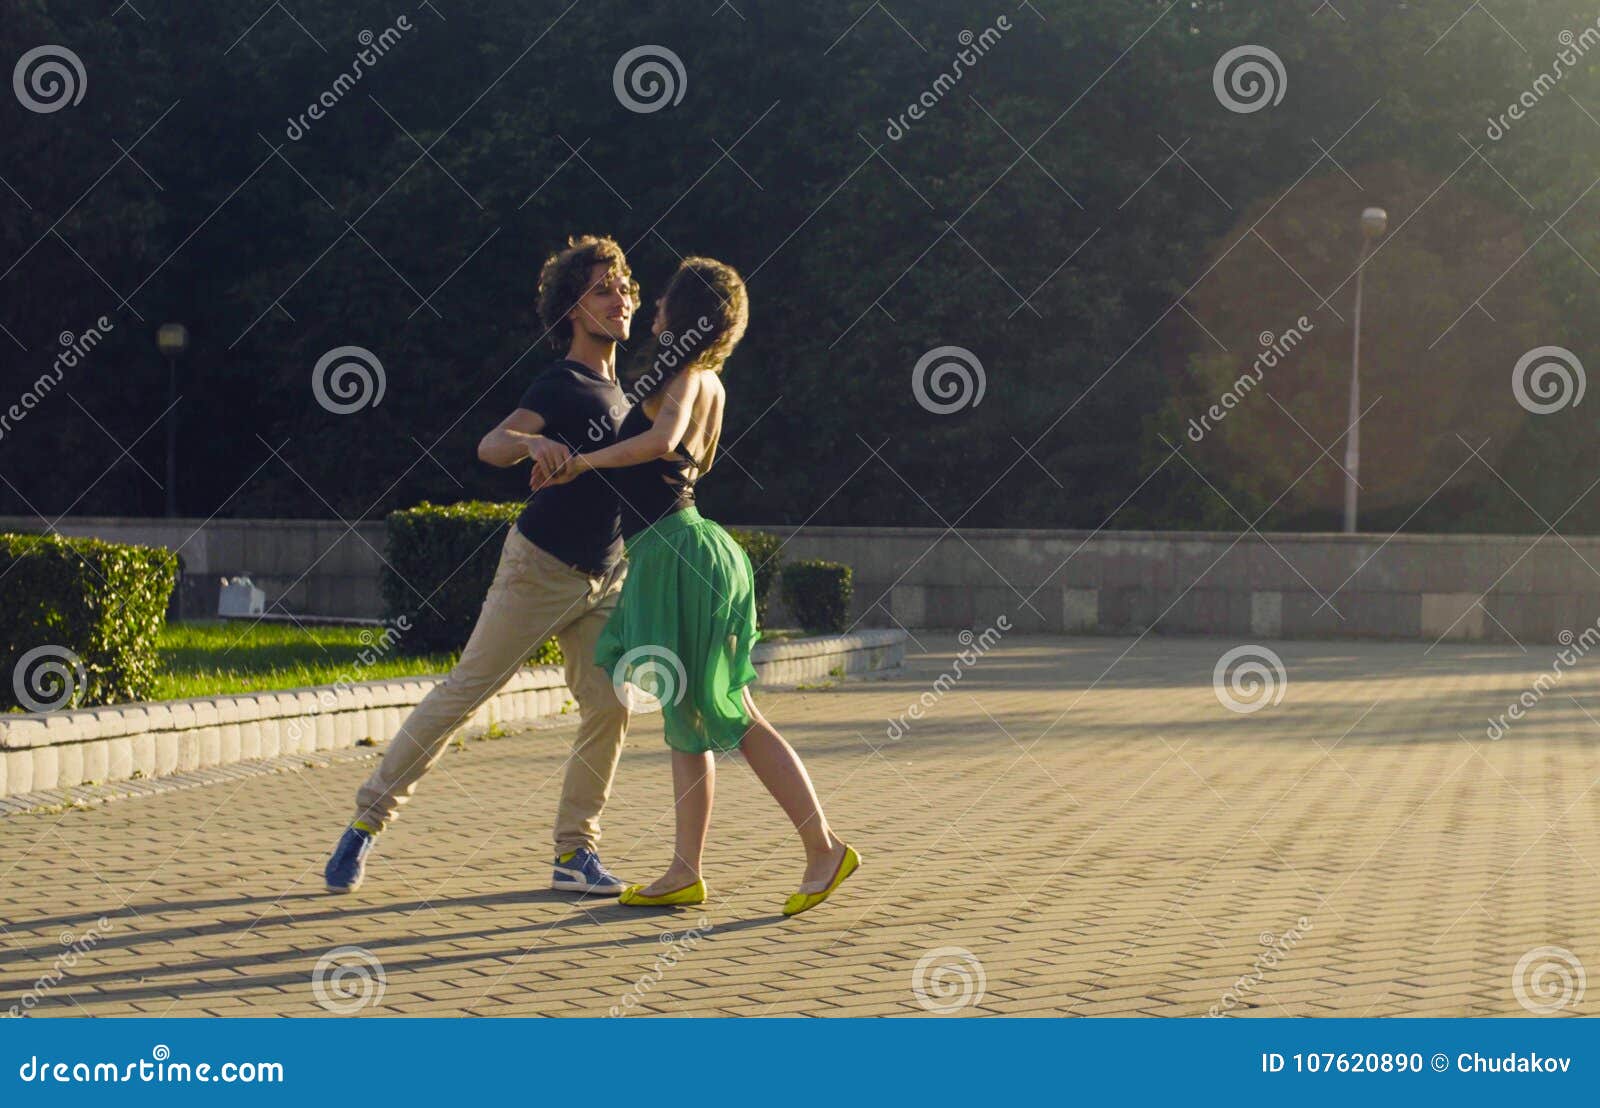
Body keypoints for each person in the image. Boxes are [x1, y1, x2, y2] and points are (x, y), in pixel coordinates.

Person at [536, 256, 859, 916]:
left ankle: (823, 848)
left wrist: (584, 462)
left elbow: (663, 442)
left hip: (682, 555)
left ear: (684, 313)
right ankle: (685, 870)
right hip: (685, 548)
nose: (649, 311)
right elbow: (690, 458)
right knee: (691, 716)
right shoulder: (707, 377)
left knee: (731, 716)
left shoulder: (683, 374)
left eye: (661, 303)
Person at [323, 235, 638, 896]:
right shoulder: (562, 381)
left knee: (611, 705)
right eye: (604, 290)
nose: (621, 299)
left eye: (624, 286)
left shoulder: (624, 391)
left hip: (605, 575)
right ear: (575, 311)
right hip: (541, 568)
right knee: (467, 691)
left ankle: (573, 854)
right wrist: (534, 442)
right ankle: (366, 820)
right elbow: (492, 445)